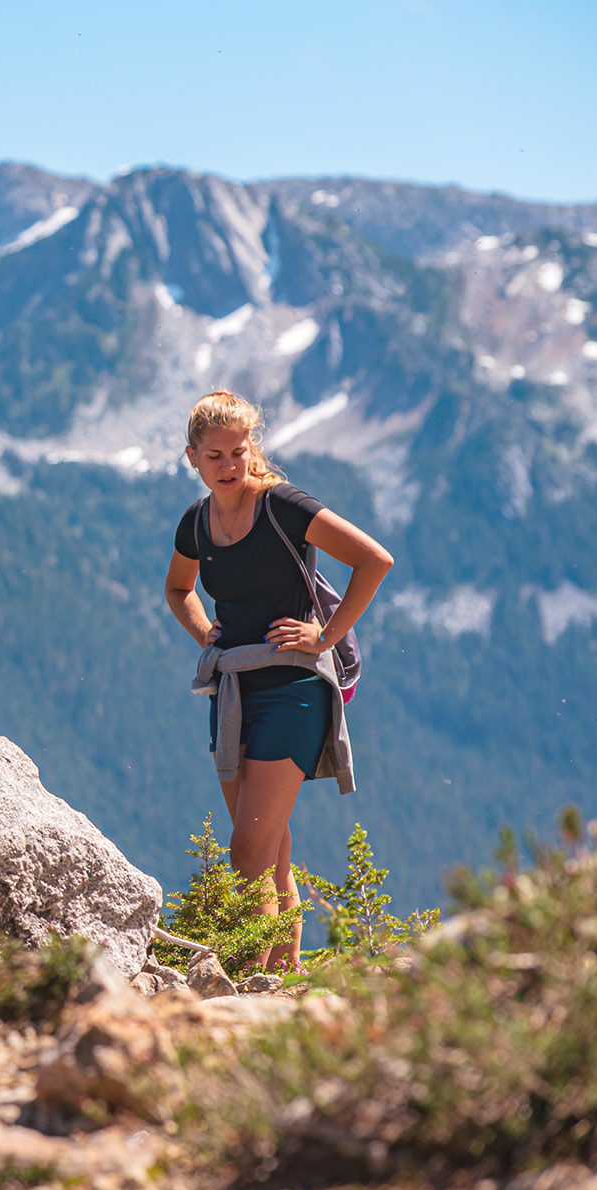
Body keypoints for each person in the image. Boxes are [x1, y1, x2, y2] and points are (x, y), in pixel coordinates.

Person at [163, 390, 394, 972]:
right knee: (270, 851)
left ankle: (240, 975)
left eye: (238, 452)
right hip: (234, 691)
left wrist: (325, 635)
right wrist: (204, 634)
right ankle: (279, 980)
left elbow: (374, 561)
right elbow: (177, 589)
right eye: (214, 456)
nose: (229, 465)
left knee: (246, 850)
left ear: (252, 448)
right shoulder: (196, 521)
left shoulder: (284, 506)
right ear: (192, 457)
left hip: (294, 688)